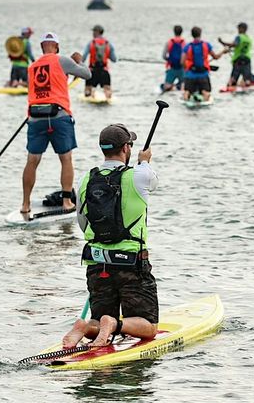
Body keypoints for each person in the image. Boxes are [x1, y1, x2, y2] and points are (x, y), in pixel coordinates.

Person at [62, 123, 160, 349]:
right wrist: (144, 161)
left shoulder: (86, 179)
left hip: (97, 263)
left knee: (98, 318)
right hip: (131, 264)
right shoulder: (140, 175)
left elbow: (83, 223)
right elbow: (152, 180)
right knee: (149, 327)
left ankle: (87, 327)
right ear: (126, 148)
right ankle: (114, 324)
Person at [22, 32, 92, 214]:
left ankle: (25, 204)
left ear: (42, 47)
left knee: (32, 160)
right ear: (57, 47)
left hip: (35, 117)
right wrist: (80, 61)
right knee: (66, 158)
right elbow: (87, 74)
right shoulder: (63, 60)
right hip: (59, 116)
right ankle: (67, 202)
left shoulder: (32, 67)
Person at [181, 27, 222, 103]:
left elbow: (182, 61)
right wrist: (223, 52)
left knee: (187, 92)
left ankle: (186, 99)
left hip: (191, 75)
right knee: (205, 92)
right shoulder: (206, 45)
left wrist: (186, 70)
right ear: (200, 34)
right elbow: (216, 57)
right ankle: (205, 100)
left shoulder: (187, 47)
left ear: (192, 35)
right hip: (203, 74)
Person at [81, 25, 117, 100]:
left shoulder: (91, 43)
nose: (93, 33)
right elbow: (114, 59)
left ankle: (88, 96)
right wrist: (107, 55)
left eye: (94, 31)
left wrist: (79, 65)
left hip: (92, 71)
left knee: (88, 90)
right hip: (104, 71)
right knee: (107, 90)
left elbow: (83, 57)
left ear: (97, 32)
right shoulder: (108, 43)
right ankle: (108, 98)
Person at [224, 22, 254, 89]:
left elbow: (235, 44)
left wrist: (223, 43)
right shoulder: (248, 39)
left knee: (234, 77)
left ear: (242, 29)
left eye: (238, 28)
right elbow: (242, 48)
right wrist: (230, 50)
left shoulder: (239, 37)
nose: (238, 30)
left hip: (238, 59)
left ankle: (231, 84)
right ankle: (247, 82)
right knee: (247, 77)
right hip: (247, 59)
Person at [160, 26, 186, 93]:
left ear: (174, 32)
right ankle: (178, 87)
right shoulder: (184, 43)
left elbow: (164, 56)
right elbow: (186, 57)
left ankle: (171, 87)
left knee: (166, 88)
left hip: (172, 68)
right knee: (184, 87)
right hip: (182, 68)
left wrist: (169, 60)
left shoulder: (169, 42)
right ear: (181, 32)